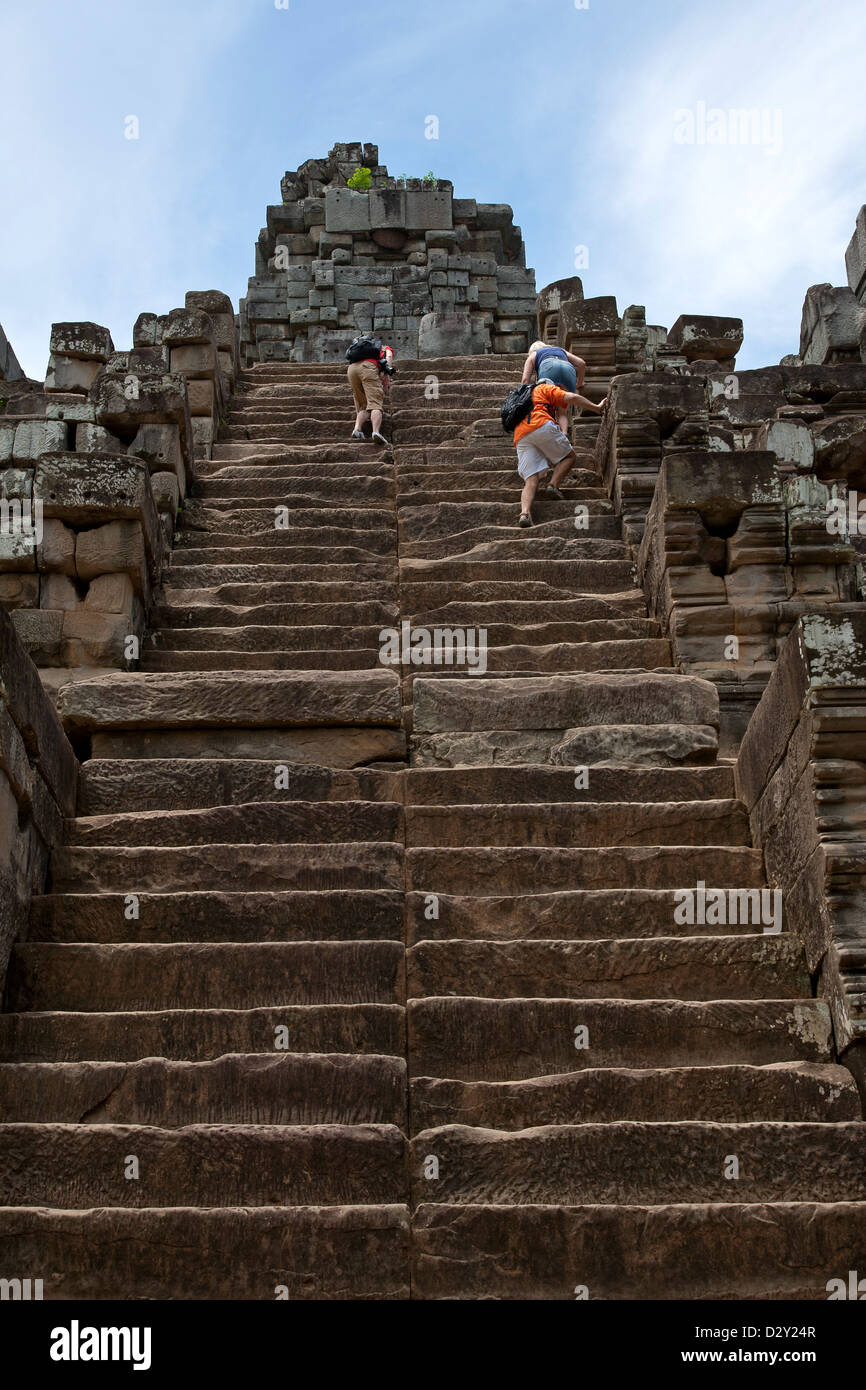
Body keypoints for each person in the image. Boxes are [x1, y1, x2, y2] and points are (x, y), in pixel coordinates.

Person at [513, 379, 607, 527]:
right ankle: (553, 485)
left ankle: (525, 513)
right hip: (541, 424)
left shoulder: (525, 396)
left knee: (531, 479)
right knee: (569, 456)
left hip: (521, 434)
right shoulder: (546, 389)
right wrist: (596, 408)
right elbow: (572, 397)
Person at [521, 341, 587, 435]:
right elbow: (582, 363)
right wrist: (580, 383)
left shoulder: (534, 354)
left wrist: (523, 398)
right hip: (568, 371)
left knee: (546, 408)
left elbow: (525, 380)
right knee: (562, 411)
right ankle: (564, 434)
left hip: (548, 368)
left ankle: (550, 436)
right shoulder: (560, 350)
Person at [347, 338, 394, 445]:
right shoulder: (384, 348)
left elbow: (356, 398)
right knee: (375, 403)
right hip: (368, 368)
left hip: (351, 369)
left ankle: (357, 429)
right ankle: (376, 432)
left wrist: (357, 409)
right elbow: (389, 356)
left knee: (364, 405)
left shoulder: (360, 350)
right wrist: (387, 374)